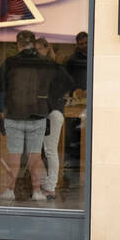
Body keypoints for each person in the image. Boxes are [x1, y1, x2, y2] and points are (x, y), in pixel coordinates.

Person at [0, 29, 67, 203]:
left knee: (14, 157)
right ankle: (37, 191)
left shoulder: (11, 62)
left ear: (18, 44)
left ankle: (10, 190)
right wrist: (49, 99)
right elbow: (66, 82)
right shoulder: (45, 63)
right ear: (33, 42)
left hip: (14, 115)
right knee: (35, 157)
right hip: (38, 115)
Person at [34, 37, 75, 195]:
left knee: (49, 150)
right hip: (47, 110)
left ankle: (50, 186)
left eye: (39, 49)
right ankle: (47, 184)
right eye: (35, 49)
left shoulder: (54, 66)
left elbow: (70, 82)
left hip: (52, 111)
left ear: (46, 49)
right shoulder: (46, 67)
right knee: (41, 149)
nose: (37, 52)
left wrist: (56, 96)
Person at [62, 30, 89, 187]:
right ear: (77, 46)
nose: (84, 46)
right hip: (76, 104)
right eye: (81, 44)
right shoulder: (72, 60)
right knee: (73, 134)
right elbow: (66, 81)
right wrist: (74, 91)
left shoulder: (98, 55)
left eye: (86, 43)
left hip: (92, 103)